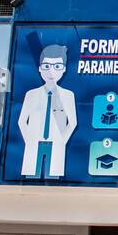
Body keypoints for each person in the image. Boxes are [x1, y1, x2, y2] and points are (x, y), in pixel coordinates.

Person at [17, 44, 77, 179]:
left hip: (55, 144)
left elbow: (72, 122)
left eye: (57, 66)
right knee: (31, 177)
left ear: (64, 69)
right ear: (40, 68)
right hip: (34, 142)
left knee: (53, 179)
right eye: (46, 66)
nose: (51, 72)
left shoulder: (68, 95)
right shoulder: (31, 94)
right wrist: (30, 139)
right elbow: (22, 121)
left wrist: (62, 141)